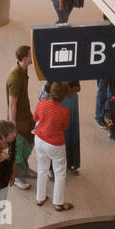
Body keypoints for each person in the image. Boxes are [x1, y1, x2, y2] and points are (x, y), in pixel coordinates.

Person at [33, 80, 72, 211]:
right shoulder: (64, 112)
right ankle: (58, 202)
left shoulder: (41, 103)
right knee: (60, 171)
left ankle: (40, 197)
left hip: (39, 139)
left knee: (42, 168)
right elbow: (65, 127)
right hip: (55, 144)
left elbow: (35, 118)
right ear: (64, 96)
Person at [6, 44, 34, 190]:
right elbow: (12, 104)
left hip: (27, 114)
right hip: (18, 119)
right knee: (18, 148)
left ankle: (24, 169)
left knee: (30, 142)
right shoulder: (15, 77)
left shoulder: (24, 69)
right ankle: (16, 176)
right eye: (30, 55)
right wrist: (13, 125)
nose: (32, 56)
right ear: (25, 58)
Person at [63, 82, 81, 173]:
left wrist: (68, 91)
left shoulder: (73, 70)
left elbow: (78, 87)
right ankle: (52, 168)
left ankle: (72, 163)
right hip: (59, 100)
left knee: (72, 133)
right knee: (59, 134)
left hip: (71, 102)